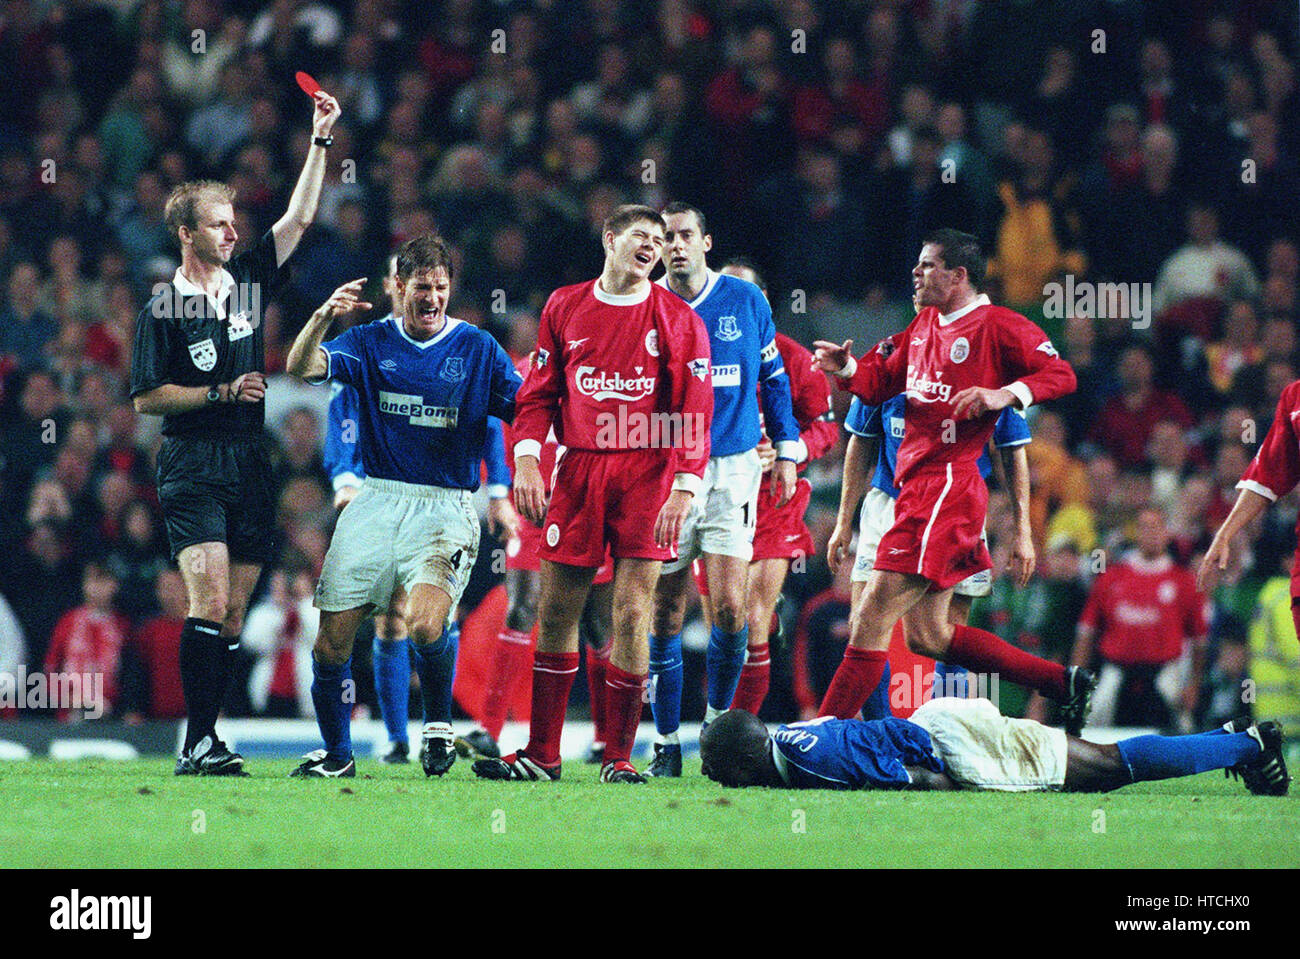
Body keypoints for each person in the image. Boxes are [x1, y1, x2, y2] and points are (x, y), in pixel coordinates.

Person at [130, 87, 341, 775]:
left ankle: (207, 737)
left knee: (231, 612)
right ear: (186, 233)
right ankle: (194, 742)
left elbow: (301, 216)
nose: (232, 232)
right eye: (217, 224)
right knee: (210, 596)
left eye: (232, 221)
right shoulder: (163, 306)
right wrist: (218, 389)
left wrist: (319, 138)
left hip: (253, 461)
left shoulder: (249, 281)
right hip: (193, 460)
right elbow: (145, 398)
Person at [811, 229, 1093, 730]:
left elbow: (1063, 375)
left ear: (957, 276)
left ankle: (817, 739)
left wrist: (1005, 394)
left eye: (926, 266)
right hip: (921, 492)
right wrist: (848, 367)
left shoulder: (999, 327)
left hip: (943, 491)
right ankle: (1059, 683)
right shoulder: (923, 325)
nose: (915, 275)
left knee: (871, 616)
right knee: (928, 637)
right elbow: (880, 381)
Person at [473, 204, 713, 784]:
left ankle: (619, 758)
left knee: (632, 614)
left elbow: (693, 411)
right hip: (578, 474)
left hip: (646, 477)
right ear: (610, 239)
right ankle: (541, 755)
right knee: (557, 611)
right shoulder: (565, 305)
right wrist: (527, 460)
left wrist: (684, 488)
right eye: (641, 235)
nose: (653, 245)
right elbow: (538, 396)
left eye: (660, 239)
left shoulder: (677, 319)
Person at [283, 234, 522, 778]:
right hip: (376, 499)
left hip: (445, 507)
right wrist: (322, 315)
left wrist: (517, 477)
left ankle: (436, 725)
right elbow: (299, 367)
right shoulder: (368, 342)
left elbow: (522, 410)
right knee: (330, 646)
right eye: (421, 288)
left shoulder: (478, 348)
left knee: (421, 624)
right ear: (399, 287)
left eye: (440, 288)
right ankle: (339, 755)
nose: (432, 298)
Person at [644, 203, 804, 777]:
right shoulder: (648, 303)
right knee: (663, 610)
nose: (677, 246)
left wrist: (787, 449)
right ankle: (665, 742)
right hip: (665, 470)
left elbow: (775, 380)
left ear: (706, 241)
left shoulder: (745, 301)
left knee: (732, 608)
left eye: (686, 235)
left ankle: (714, 729)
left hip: (734, 466)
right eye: (667, 238)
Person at [829, 334, 1034, 717]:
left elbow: (1012, 450)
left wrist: (1023, 530)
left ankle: (943, 740)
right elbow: (861, 441)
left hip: (956, 506)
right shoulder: (886, 358)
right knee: (862, 626)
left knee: (944, 633)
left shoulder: (988, 370)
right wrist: (844, 520)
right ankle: (882, 732)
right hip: (889, 503)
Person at [698, 702, 1290, 796]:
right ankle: (1233, 741)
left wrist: (949, 781)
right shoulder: (787, 740)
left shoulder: (811, 769)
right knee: (1103, 767)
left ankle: (1243, 747)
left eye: (716, 770)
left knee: (1106, 770)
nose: (714, 780)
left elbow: (912, 772)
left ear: (747, 762)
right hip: (939, 720)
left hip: (952, 742)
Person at [720, 258, 839, 718]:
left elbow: (826, 431)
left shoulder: (793, 358)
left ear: (763, 302)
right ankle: (720, 718)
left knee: (750, 619)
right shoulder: (698, 351)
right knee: (725, 623)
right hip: (718, 500)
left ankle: (736, 730)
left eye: (743, 292)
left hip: (775, 501)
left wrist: (790, 452)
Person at [1071, 507, 1207, 731]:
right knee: (1091, 723)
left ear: (1166, 532)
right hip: (1116, 672)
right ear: (1136, 533)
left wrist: (1193, 685)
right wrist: (1076, 682)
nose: (1151, 533)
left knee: (1183, 729)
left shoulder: (1184, 581)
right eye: (1144, 527)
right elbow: (1087, 634)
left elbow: (1199, 642)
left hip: (1164, 673)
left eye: (1156, 527)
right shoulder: (1111, 577)